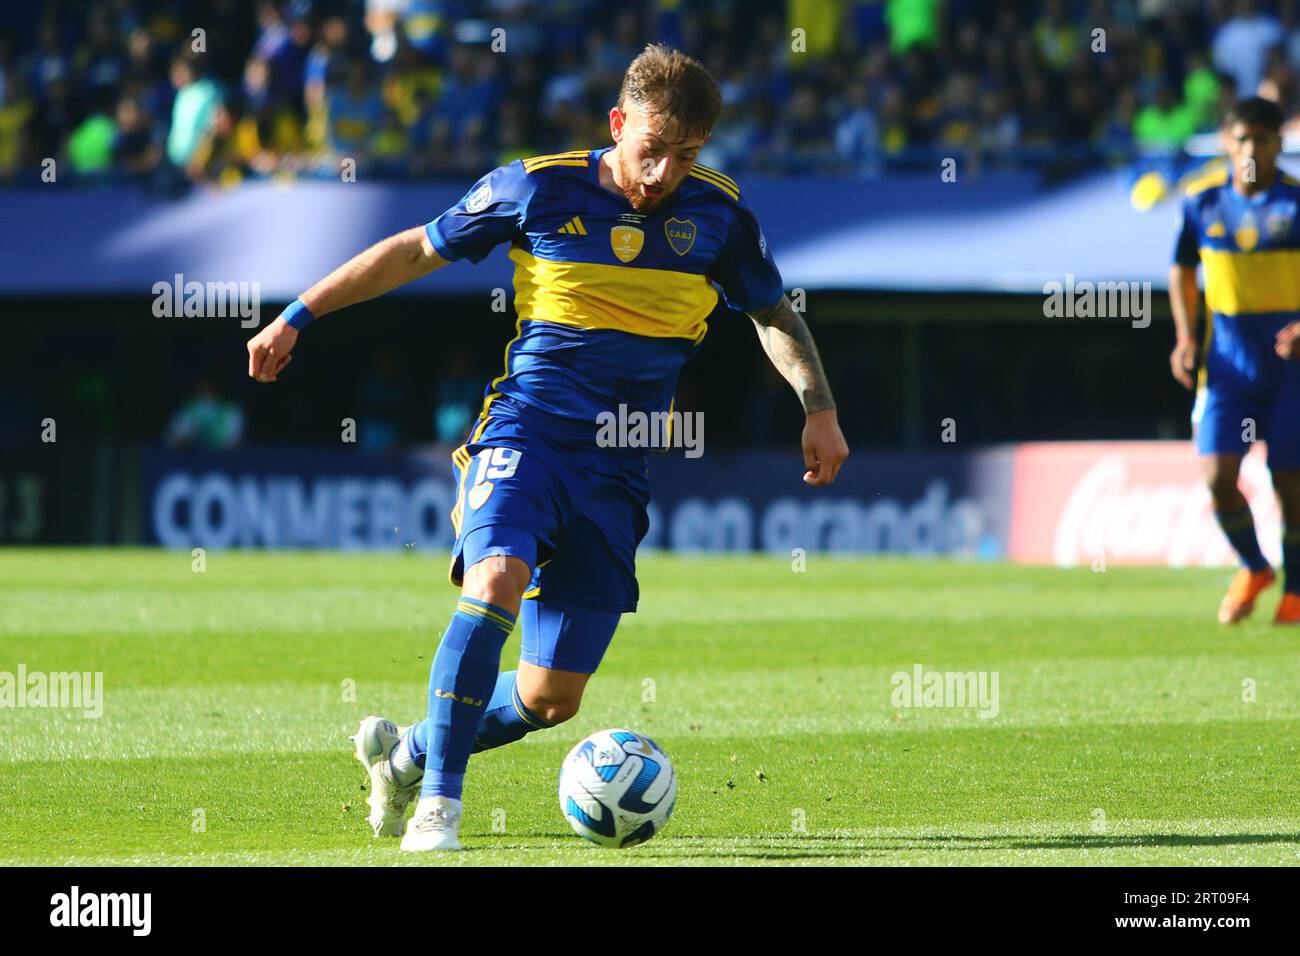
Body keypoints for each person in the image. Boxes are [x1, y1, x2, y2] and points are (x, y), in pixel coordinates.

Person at [244, 44, 849, 851]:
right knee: (496, 577)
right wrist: (297, 315)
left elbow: (772, 313)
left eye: (687, 155)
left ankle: (408, 758)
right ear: (616, 123)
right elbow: (418, 248)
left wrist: (819, 407)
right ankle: (440, 810)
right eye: (651, 149)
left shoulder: (721, 217)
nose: (665, 171)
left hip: (621, 459)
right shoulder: (538, 183)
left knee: (549, 698)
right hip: (527, 429)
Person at [1169, 96, 1300, 625]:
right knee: (1216, 474)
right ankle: (1253, 566)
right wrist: (1184, 335)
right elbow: (1181, 268)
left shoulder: (1295, 205)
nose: (1250, 149)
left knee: (1290, 482)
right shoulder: (1202, 204)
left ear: (1278, 144)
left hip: (1291, 370)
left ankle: (1296, 588)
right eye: (1241, 138)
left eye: (1261, 139)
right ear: (1226, 142)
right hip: (1225, 368)